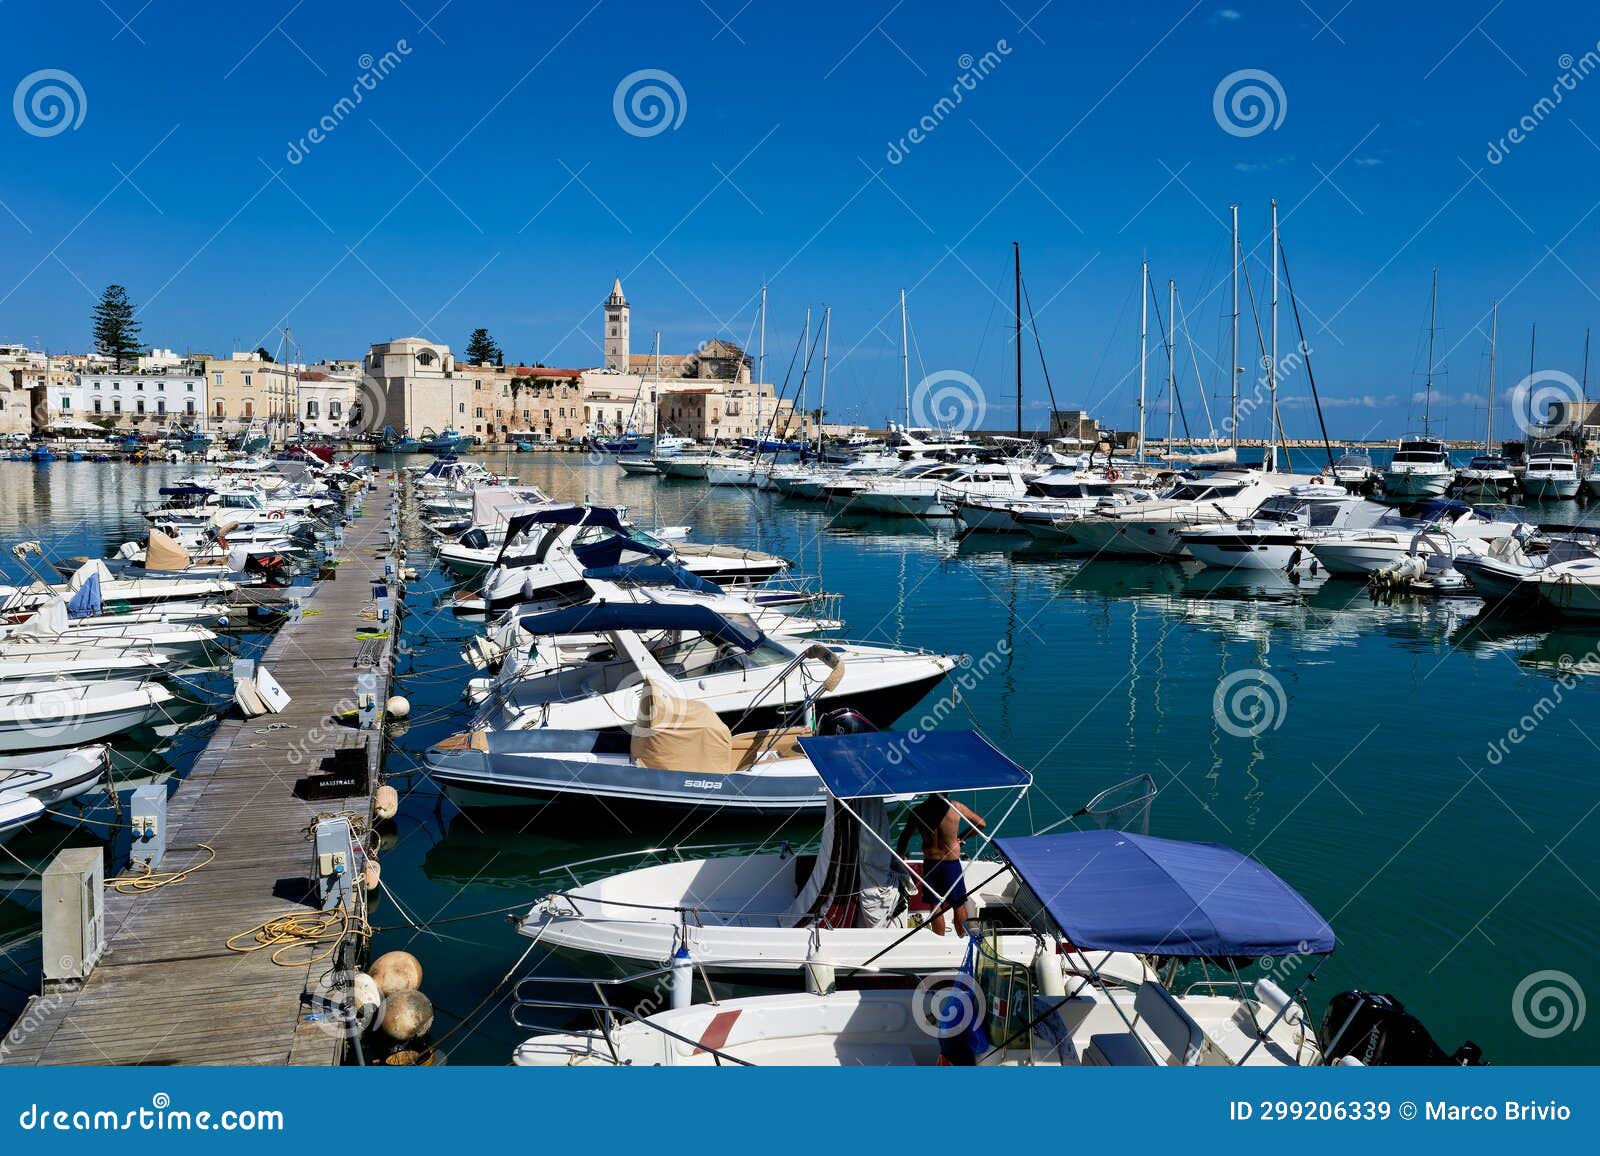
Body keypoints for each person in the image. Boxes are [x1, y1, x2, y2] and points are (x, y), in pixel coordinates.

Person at [895, 793, 985, 936]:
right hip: (951, 863)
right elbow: (980, 824)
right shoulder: (955, 807)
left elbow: (904, 837)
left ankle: (940, 940)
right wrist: (961, 837)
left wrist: (899, 859)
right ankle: (961, 938)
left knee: (935, 905)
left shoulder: (919, 810)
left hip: (931, 863)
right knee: (958, 904)